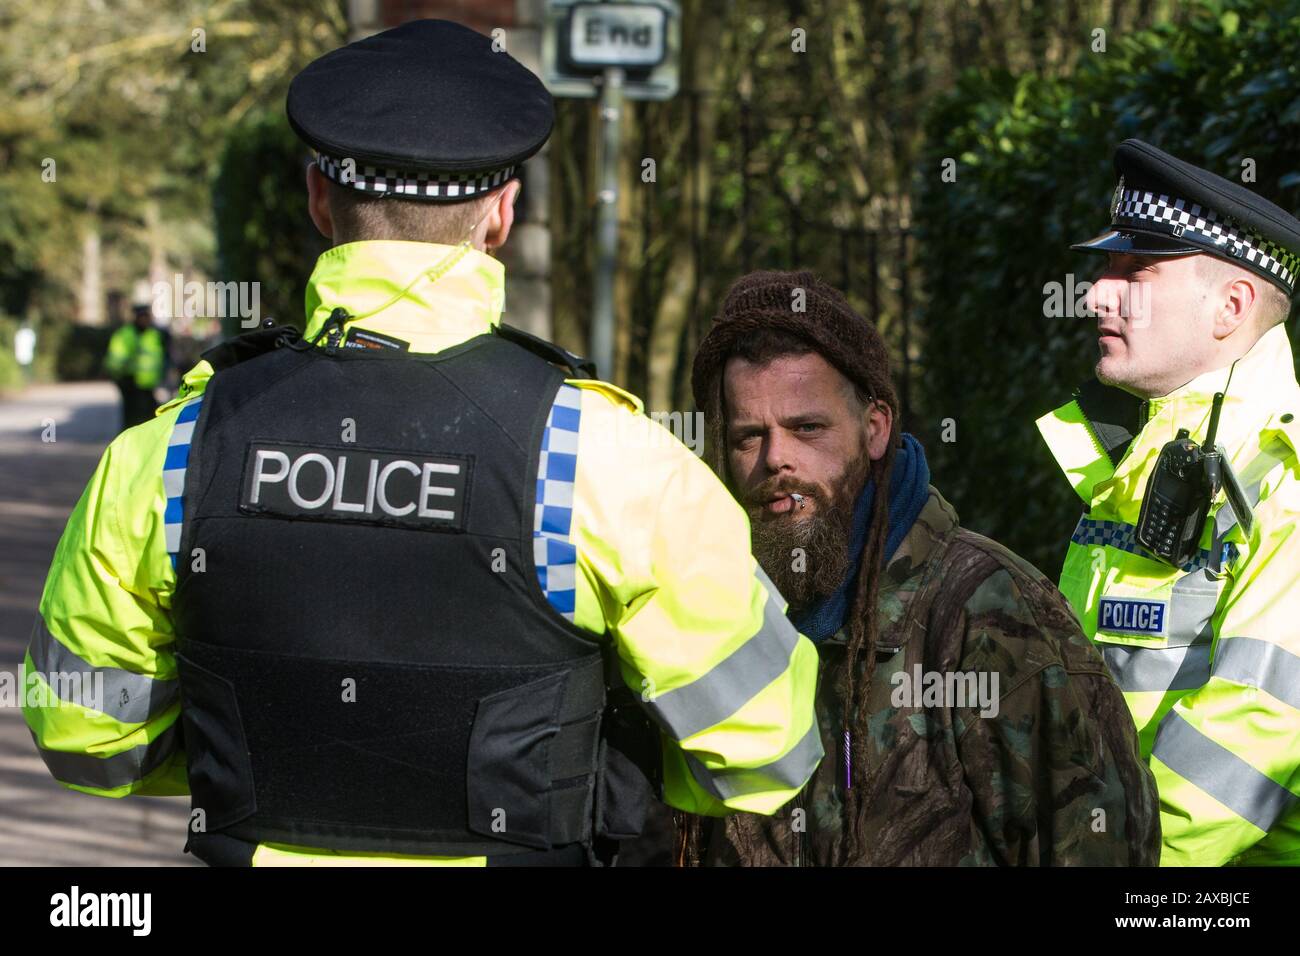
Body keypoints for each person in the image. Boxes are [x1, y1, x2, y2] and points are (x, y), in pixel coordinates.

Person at [23, 19, 821, 867]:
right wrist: (590, 762)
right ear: (503, 214)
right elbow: (766, 752)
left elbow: (84, 735)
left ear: (318, 199)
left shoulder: (171, 451)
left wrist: (248, 750)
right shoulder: (618, 463)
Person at [687, 270, 1159, 866]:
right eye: (749, 437)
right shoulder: (715, 619)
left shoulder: (987, 610)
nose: (777, 458)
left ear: (876, 427)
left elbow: (1104, 853)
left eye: (807, 428)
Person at [1037, 139, 1300, 866]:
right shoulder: (1138, 456)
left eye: (1136, 271)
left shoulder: (1284, 483)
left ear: (1232, 305)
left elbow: (1244, 754)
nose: (1096, 293)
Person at [105, 301, 166, 429]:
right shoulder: (125, 334)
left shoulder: (153, 334)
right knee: (132, 419)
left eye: (147, 317)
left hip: (148, 384)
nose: (145, 320)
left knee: (150, 418)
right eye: (142, 317)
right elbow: (116, 359)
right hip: (129, 382)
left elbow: (159, 357)